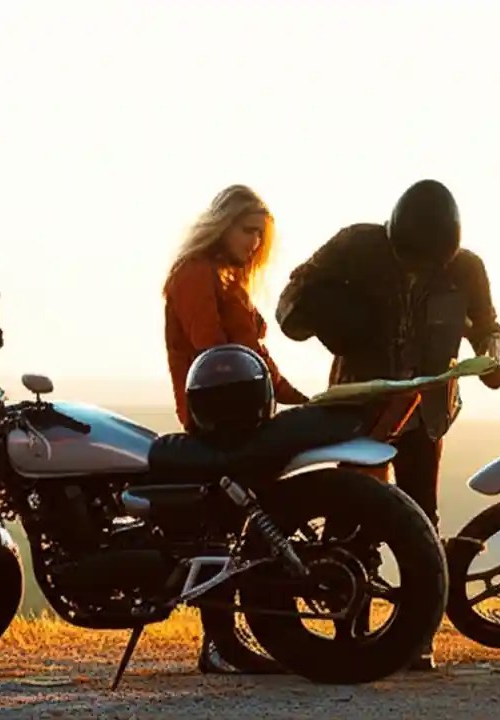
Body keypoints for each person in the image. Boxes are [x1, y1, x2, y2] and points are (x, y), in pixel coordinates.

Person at [276, 178, 500, 671]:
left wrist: (490, 357)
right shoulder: (356, 245)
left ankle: (417, 636)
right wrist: (326, 316)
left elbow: (488, 324)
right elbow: (291, 302)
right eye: (411, 260)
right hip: (363, 405)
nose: (418, 270)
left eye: (429, 264)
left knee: (421, 519)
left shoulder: (467, 269)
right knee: (349, 515)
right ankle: (349, 629)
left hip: (426, 411)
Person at [162, 184, 308, 673]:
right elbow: (215, 353)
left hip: (243, 415)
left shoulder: (230, 277)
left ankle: (233, 636)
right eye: (248, 231)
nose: (253, 244)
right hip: (214, 419)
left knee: (246, 524)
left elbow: (255, 357)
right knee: (222, 527)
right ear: (222, 224)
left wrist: (295, 396)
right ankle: (219, 642)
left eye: (259, 236)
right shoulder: (195, 275)